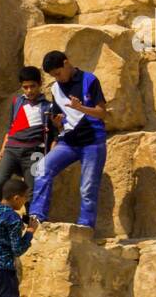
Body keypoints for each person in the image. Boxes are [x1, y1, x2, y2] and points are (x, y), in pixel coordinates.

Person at [28, 51, 108, 229]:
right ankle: (36, 218)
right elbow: (63, 119)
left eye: (58, 73)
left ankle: (84, 227)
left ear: (66, 63)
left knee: (88, 188)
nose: (57, 78)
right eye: (53, 76)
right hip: (69, 141)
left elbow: (102, 113)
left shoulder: (89, 80)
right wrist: (58, 123)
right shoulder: (56, 88)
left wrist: (82, 108)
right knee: (41, 169)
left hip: (92, 141)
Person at [0, 66, 55, 202]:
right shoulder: (17, 102)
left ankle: (30, 221)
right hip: (11, 150)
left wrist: (49, 155)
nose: (29, 90)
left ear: (40, 84)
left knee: (32, 189)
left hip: (34, 152)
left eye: (33, 86)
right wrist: (3, 147)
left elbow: (52, 134)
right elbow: (11, 127)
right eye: (25, 87)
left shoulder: (47, 107)